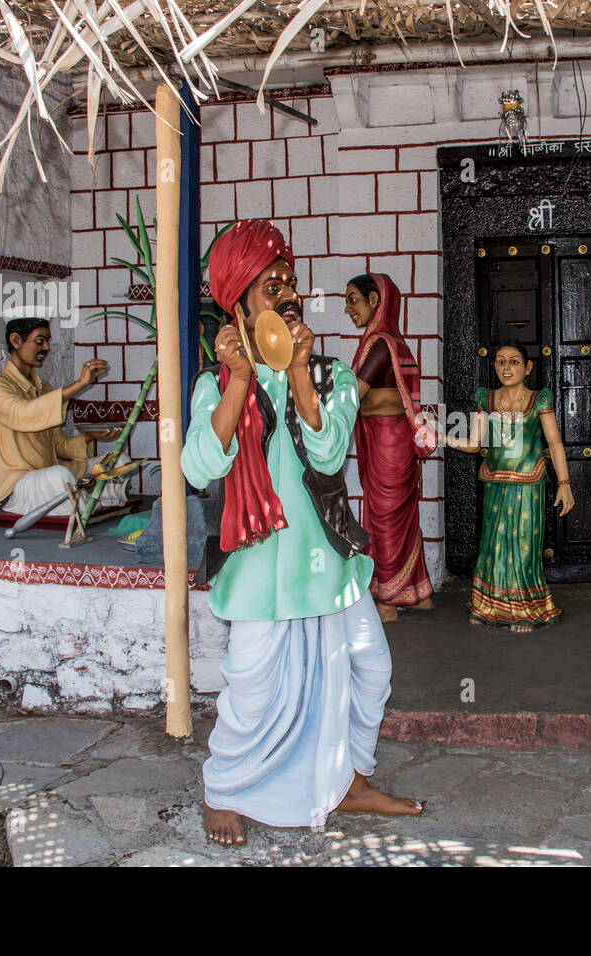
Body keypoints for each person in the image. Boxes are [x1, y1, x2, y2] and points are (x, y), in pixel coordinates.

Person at [180, 219, 423, 845]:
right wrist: (241, 379)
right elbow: (201, 465)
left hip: (330, 566)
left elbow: (328, 452)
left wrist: (296, 372)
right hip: (262, 570)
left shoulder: (333, 375)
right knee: (253, 690)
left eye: (290, 280)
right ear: (238, 304)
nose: (287, 293)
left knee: (371, 670)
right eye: (270, 285)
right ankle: (224, 789)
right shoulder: (216, 383)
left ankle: (350, 780)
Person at [442, 341, 575, 632]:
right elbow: (475, 444)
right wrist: (442, 437)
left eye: (514, 362)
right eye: (501, 361)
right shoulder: (485, 400)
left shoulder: (539, 400)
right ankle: (487, 606)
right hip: (496, 483)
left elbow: (554, 443)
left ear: (528, 368)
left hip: (529, 483)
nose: (507, 367)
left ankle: (524, 610)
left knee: (523, 545)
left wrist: (564, 484)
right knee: (495, 544)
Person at [346, 273, 436, 623]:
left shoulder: (381, 343)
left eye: (354, 299)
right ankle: (420, 593)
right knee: (402, 519)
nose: (348, 308)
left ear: (375, 301)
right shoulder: (388, 342)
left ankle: (387, 600)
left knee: (384, 520)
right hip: (390, 438)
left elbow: (353, 391)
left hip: (387, 440)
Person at [0, 317, 125, 515]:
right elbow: (24, 414)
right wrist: (79, 385)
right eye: (40, 341)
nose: (46, 348)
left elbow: (58, 445)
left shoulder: (44, 388)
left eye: (47, 341)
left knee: (117, 461)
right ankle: (87, 501)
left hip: (51, 470)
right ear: (15, 341)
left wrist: (91, 437)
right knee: (59, 476)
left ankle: (90, 501)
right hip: (17, 484)